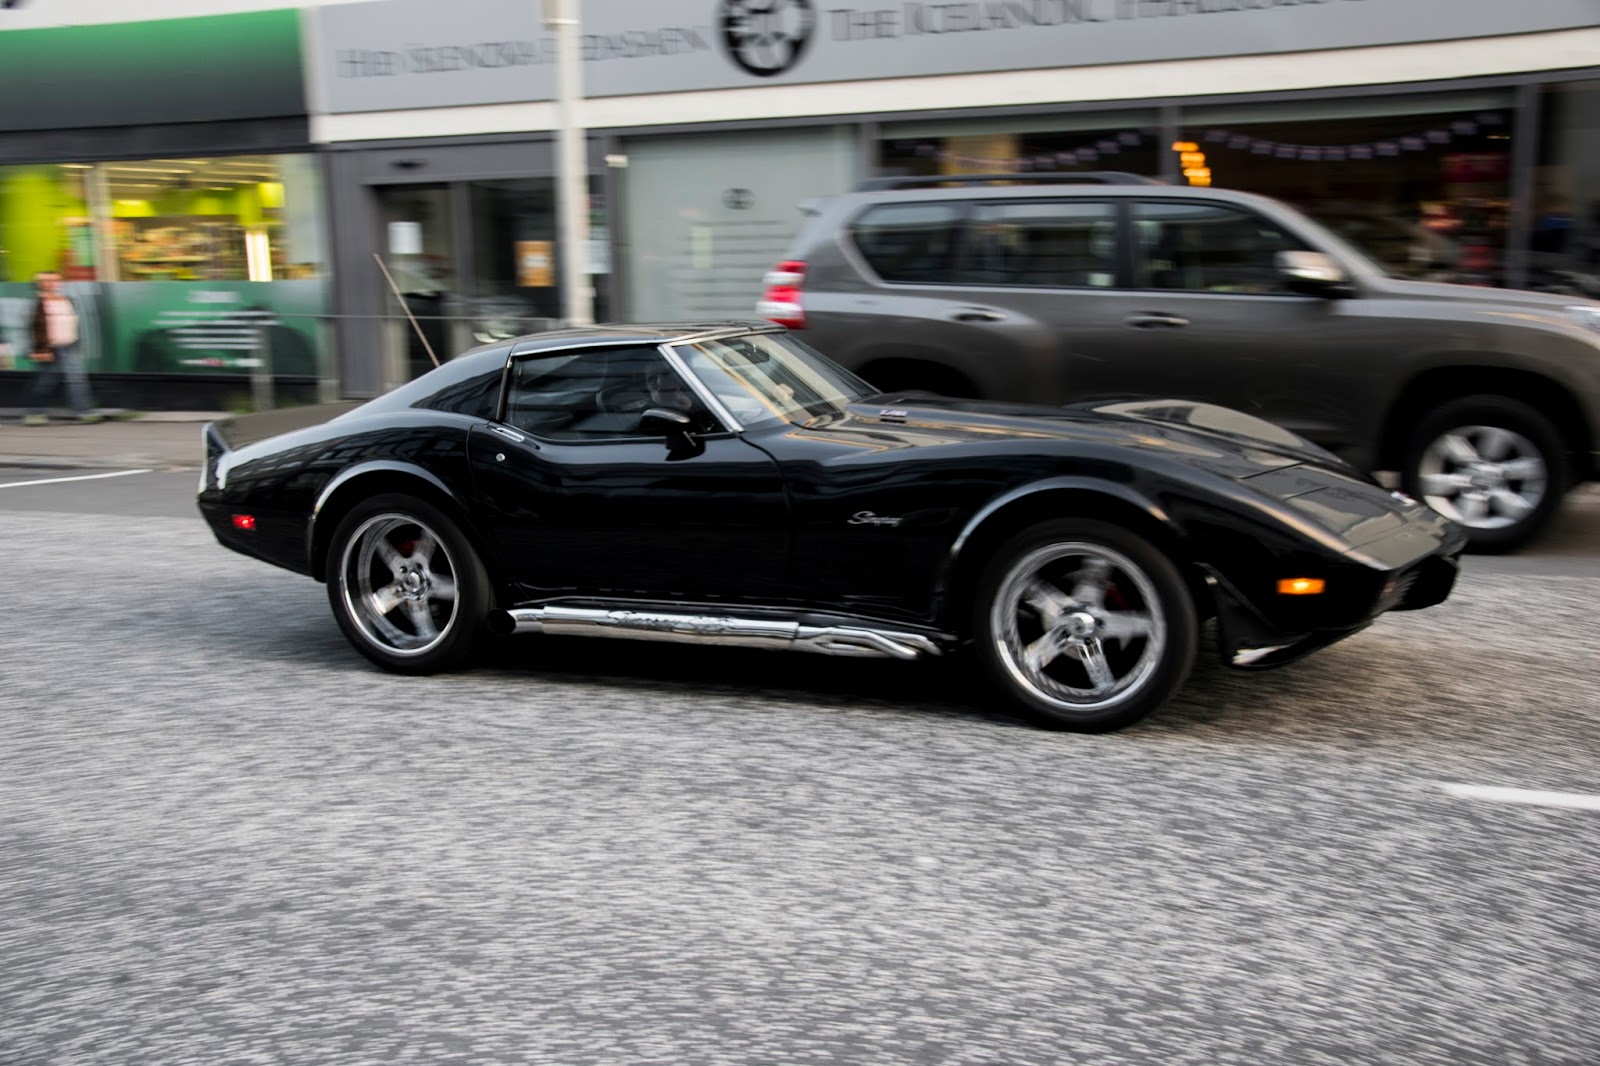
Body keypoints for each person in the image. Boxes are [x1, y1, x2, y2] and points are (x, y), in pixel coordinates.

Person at [23, 271, 97, 425]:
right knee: (45, 381)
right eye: (46, 281)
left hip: (70, 345)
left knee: (77, 380)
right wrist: (40, 349)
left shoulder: (68, 300)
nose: (50, 284)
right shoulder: (37, 303)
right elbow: (34, 327)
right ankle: (34, 413)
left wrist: (77, 342)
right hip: (49, 347)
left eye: (54, 280)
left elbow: (74, 323)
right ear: (40, 284)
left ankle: (83, 412)